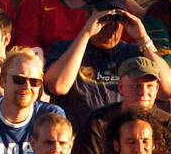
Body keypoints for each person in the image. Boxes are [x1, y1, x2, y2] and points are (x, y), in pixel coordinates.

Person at [45, 9, 171, 137]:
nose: (111, 24)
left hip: (131, 136)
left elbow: (167, 90)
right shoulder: (66, 49)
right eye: (104, 18)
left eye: (118, 19)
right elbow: (57, 86)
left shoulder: (135, 51)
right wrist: (86, 34)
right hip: (82, 136)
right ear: (88, 17)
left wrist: (143, 38)